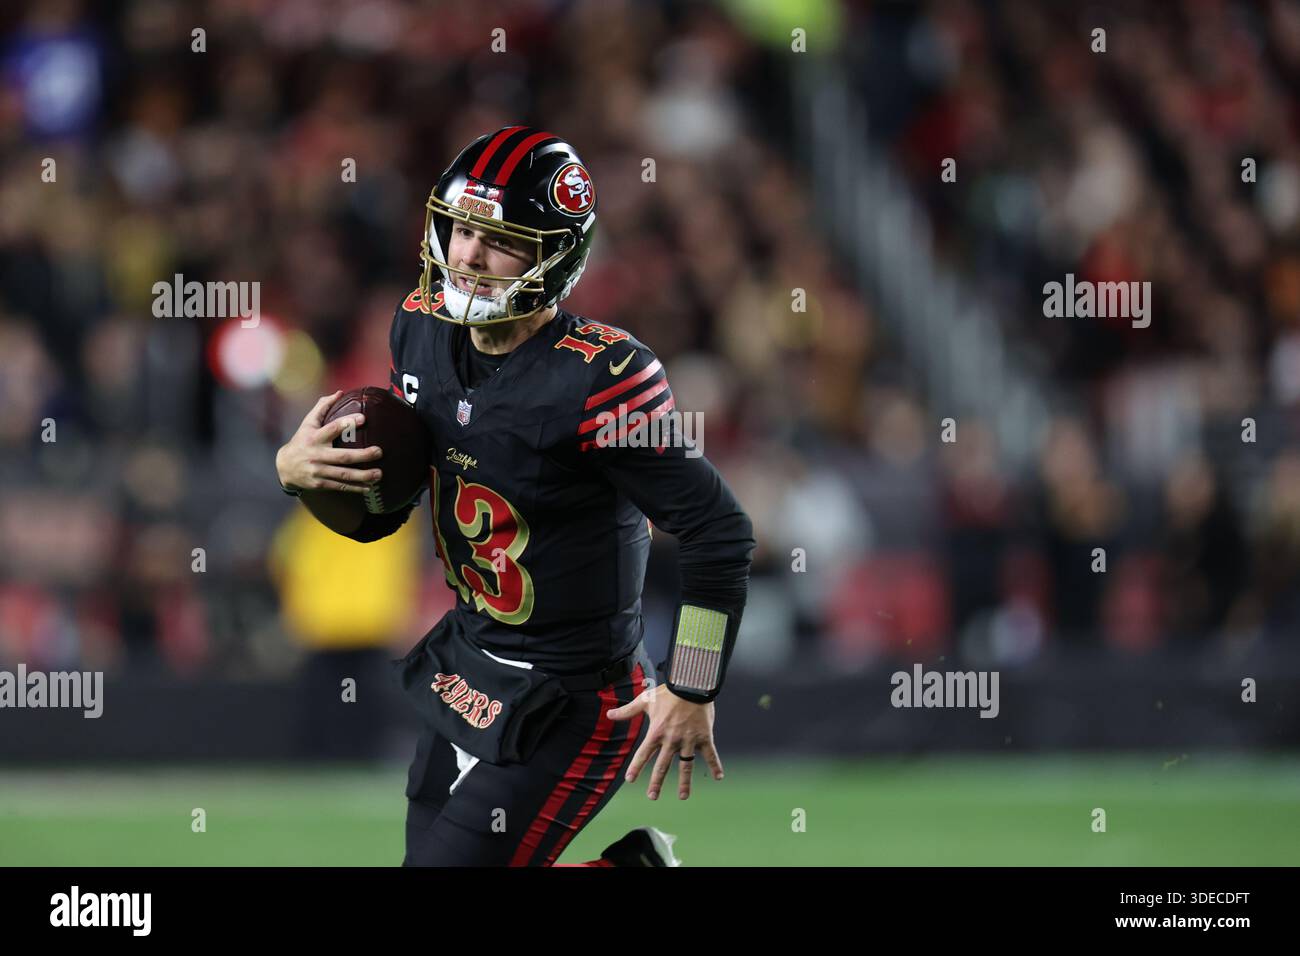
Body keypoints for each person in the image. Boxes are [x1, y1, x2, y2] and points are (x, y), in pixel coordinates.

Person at [275, 127, 755, 866]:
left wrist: (691, 684)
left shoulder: (600, 378)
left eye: (498, 240)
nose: (466, 254)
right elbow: (387, 518)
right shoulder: (421, 329)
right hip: (471, 666)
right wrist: (305, 475)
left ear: (552, 256)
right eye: (462, 229)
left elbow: (718, 531)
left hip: (574, 698)